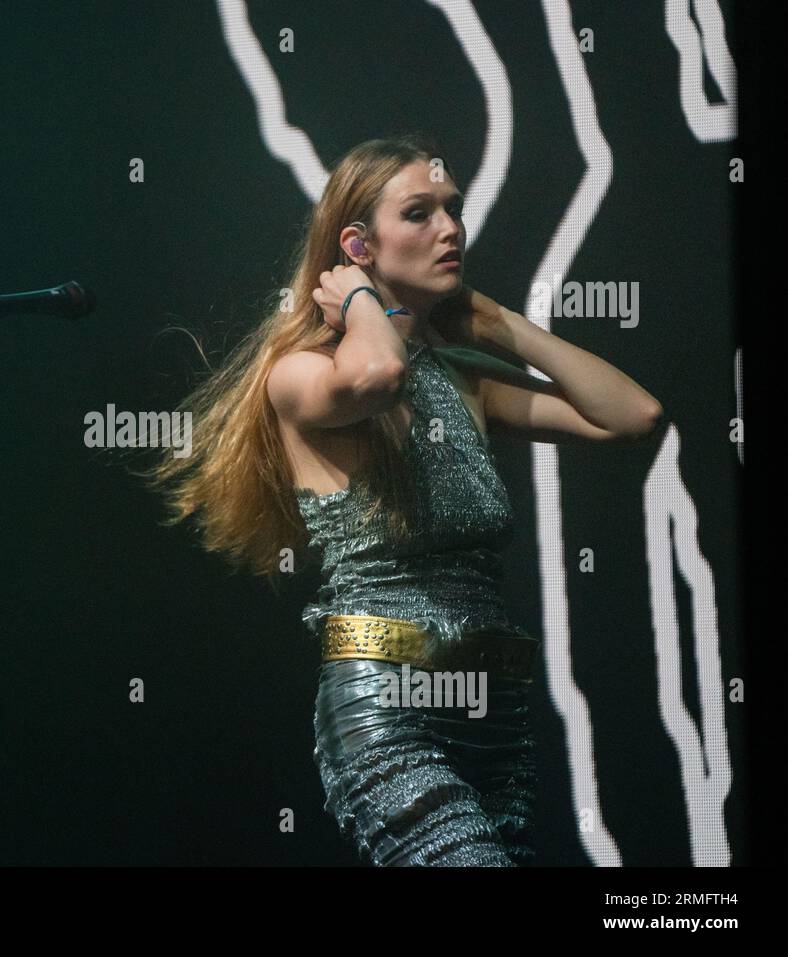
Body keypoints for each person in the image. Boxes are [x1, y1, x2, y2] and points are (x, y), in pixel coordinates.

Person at [142, 133, 663, 865]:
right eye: (420, 213)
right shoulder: (301, 374)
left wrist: (501, 324)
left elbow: (632, 416)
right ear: (358, 242)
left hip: (496, 721)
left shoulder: (464, 376)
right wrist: (358, 297)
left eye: (452, 208)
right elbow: (380, 376)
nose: (451, 228)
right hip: (388, 711)